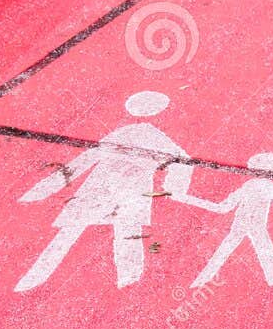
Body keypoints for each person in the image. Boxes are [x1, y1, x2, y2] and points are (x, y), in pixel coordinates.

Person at [14, 91, 184, 291]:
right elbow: (181, 161)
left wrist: (46, 188)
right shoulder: (152, 137)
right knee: (121, 232)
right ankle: (128, 279)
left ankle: (127, 279)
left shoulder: (130, 134)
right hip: (120, 188)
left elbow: (83, 161)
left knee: (83, 230)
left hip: (109, 186)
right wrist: (175, 189)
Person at [166, 152, 273, 288]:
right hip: (247, 227)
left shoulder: (264, 186)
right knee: (262, 257)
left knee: (229, 255)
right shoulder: (259, 186)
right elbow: (223, 207)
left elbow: (222, 207)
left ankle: (201, 281)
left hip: (248, 226)